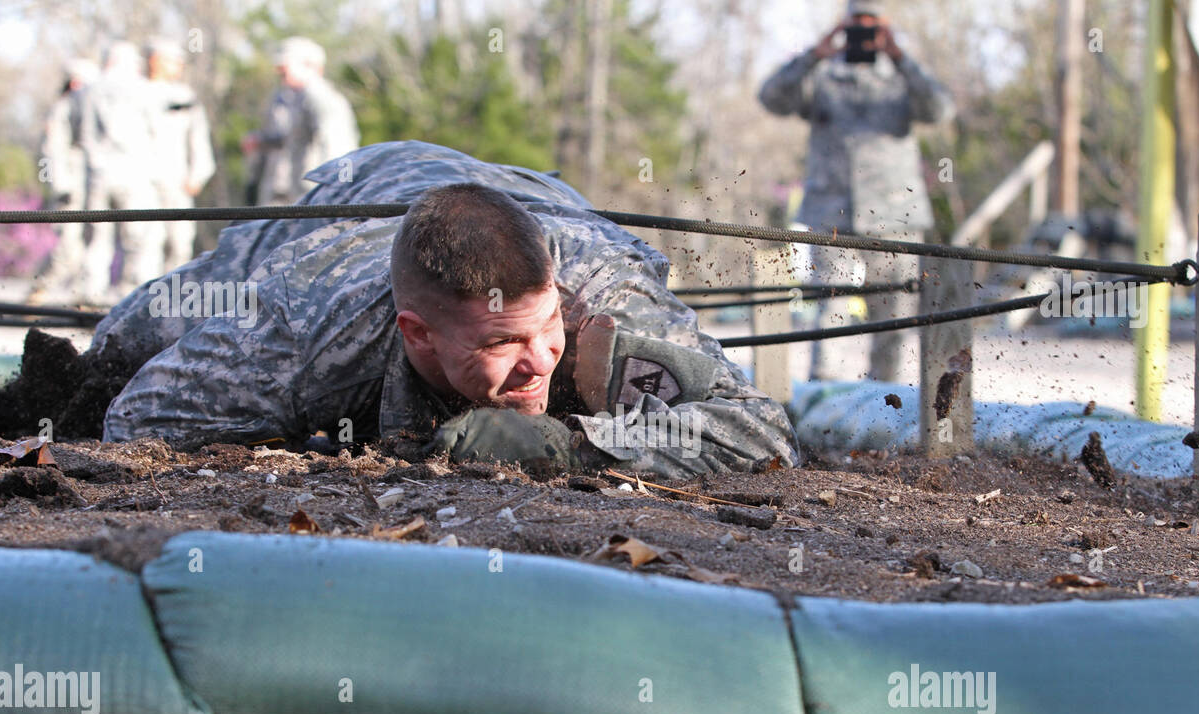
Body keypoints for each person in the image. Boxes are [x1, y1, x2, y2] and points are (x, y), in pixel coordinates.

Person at [90, 141, 800, 478]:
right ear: (417, 335)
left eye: (545, 327)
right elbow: (140, 416)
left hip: (533, 194)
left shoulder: (604, 299)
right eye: (500, 342)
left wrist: (576, 445)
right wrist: (302, 431)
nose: (539, 362)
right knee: (117, 341)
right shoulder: (303, 326)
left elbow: (765, 434)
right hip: (351, 207)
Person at [758, 0, 954, 382]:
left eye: (872, 26)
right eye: (856, 25)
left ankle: (886, 402)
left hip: (895, 216)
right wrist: (814, 54)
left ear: (885, 29)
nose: (864, 34)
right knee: (828, 310)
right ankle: (824, 398)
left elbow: (940, 110)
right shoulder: (823, 77)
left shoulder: (901, 77)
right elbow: (771, 98)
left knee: (893, 316)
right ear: (843, 27)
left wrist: (900, 57)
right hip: (833, 215)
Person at [80, 41, 165, 305]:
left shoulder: (91, 90)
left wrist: (95, 164)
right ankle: (135, 298)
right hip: (135, 172)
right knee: (139, 238)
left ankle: (91, 295)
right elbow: (157, 132)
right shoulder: (143, 89)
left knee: (97, 238)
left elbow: (84, 134)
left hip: (100, 173)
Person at [242, 37, 359, 206]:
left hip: (315, 194)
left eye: (286, 66)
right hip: (286, 191)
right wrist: (261, 142)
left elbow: (337, 146)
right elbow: (289, 138)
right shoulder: (285, 97)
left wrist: (336, 191)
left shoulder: (322, 98)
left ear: (310, 66)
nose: (280, 72)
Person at [30, 58, 98, 304]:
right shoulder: (62, 109)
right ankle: (37, 293)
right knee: (67, 248)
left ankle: (83, 301)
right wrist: (60, 186)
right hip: (69, 188)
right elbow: (50, 153)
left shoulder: (86, 109)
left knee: (90, 247)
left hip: (90, 187)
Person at [146, 38, 216, 273]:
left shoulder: (185, 95)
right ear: (155, 60)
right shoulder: (138, 92)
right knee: (148, 241)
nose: (178, 66)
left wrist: (198, 174)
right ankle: (144, 298)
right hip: (146, 182)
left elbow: (198, 137)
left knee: (180, 241)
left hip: (177, 180)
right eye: (172, 61)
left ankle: (174, 297)